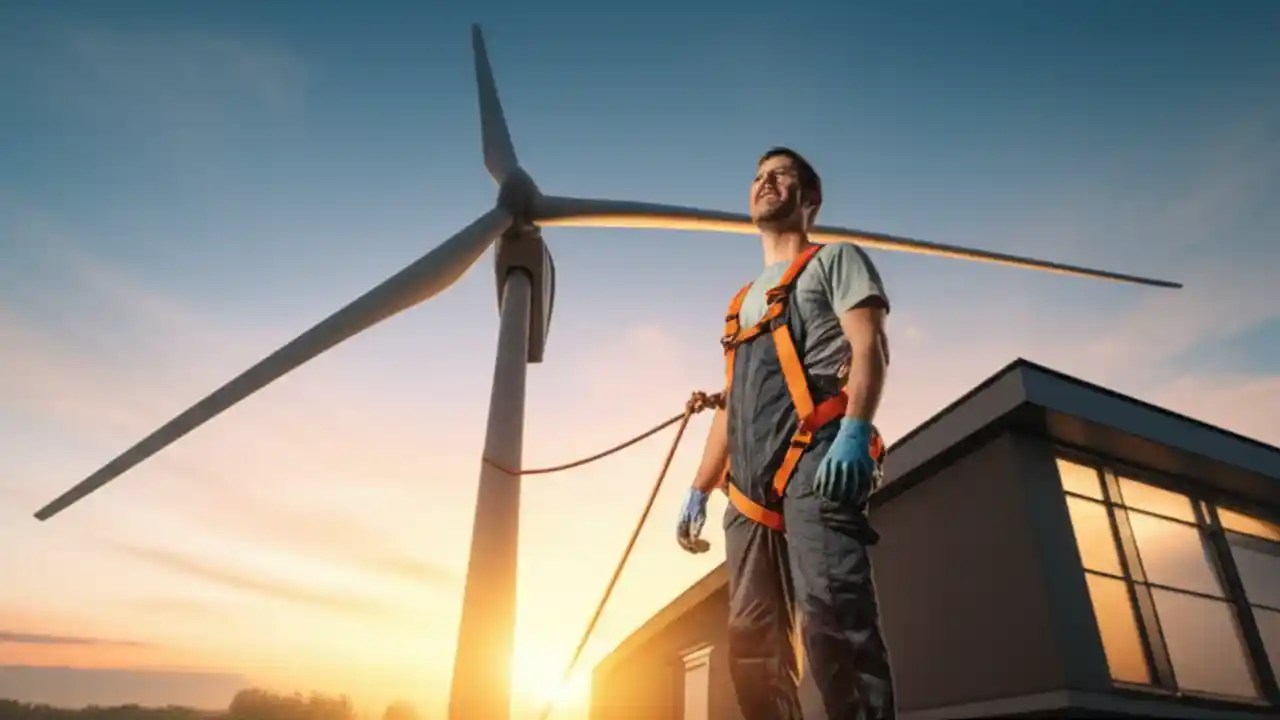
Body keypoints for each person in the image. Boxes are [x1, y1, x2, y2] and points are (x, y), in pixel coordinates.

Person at [676, 147, 895, 719]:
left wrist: (855, 431)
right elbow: (732, 404)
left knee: (834, 621)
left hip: (818, 458)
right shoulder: (737, 305)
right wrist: (700, 487)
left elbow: (870, 348)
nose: (766, 183)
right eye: (757, 177)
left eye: (782, 176)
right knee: (752, 645)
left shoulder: (836, 262)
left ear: (810, 200)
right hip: (746, 490)